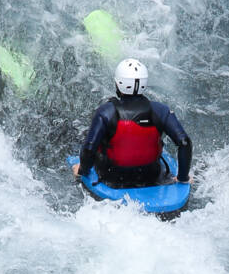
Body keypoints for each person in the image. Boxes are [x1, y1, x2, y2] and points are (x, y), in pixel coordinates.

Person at [74, 59, 192, 189]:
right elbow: (184, 143)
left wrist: (81, 171)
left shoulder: (106, 111)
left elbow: (89, 148)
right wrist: (182, 178)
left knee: (90, 137)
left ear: (118, 84)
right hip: (151, 176)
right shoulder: (161, 110)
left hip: (112, 177)